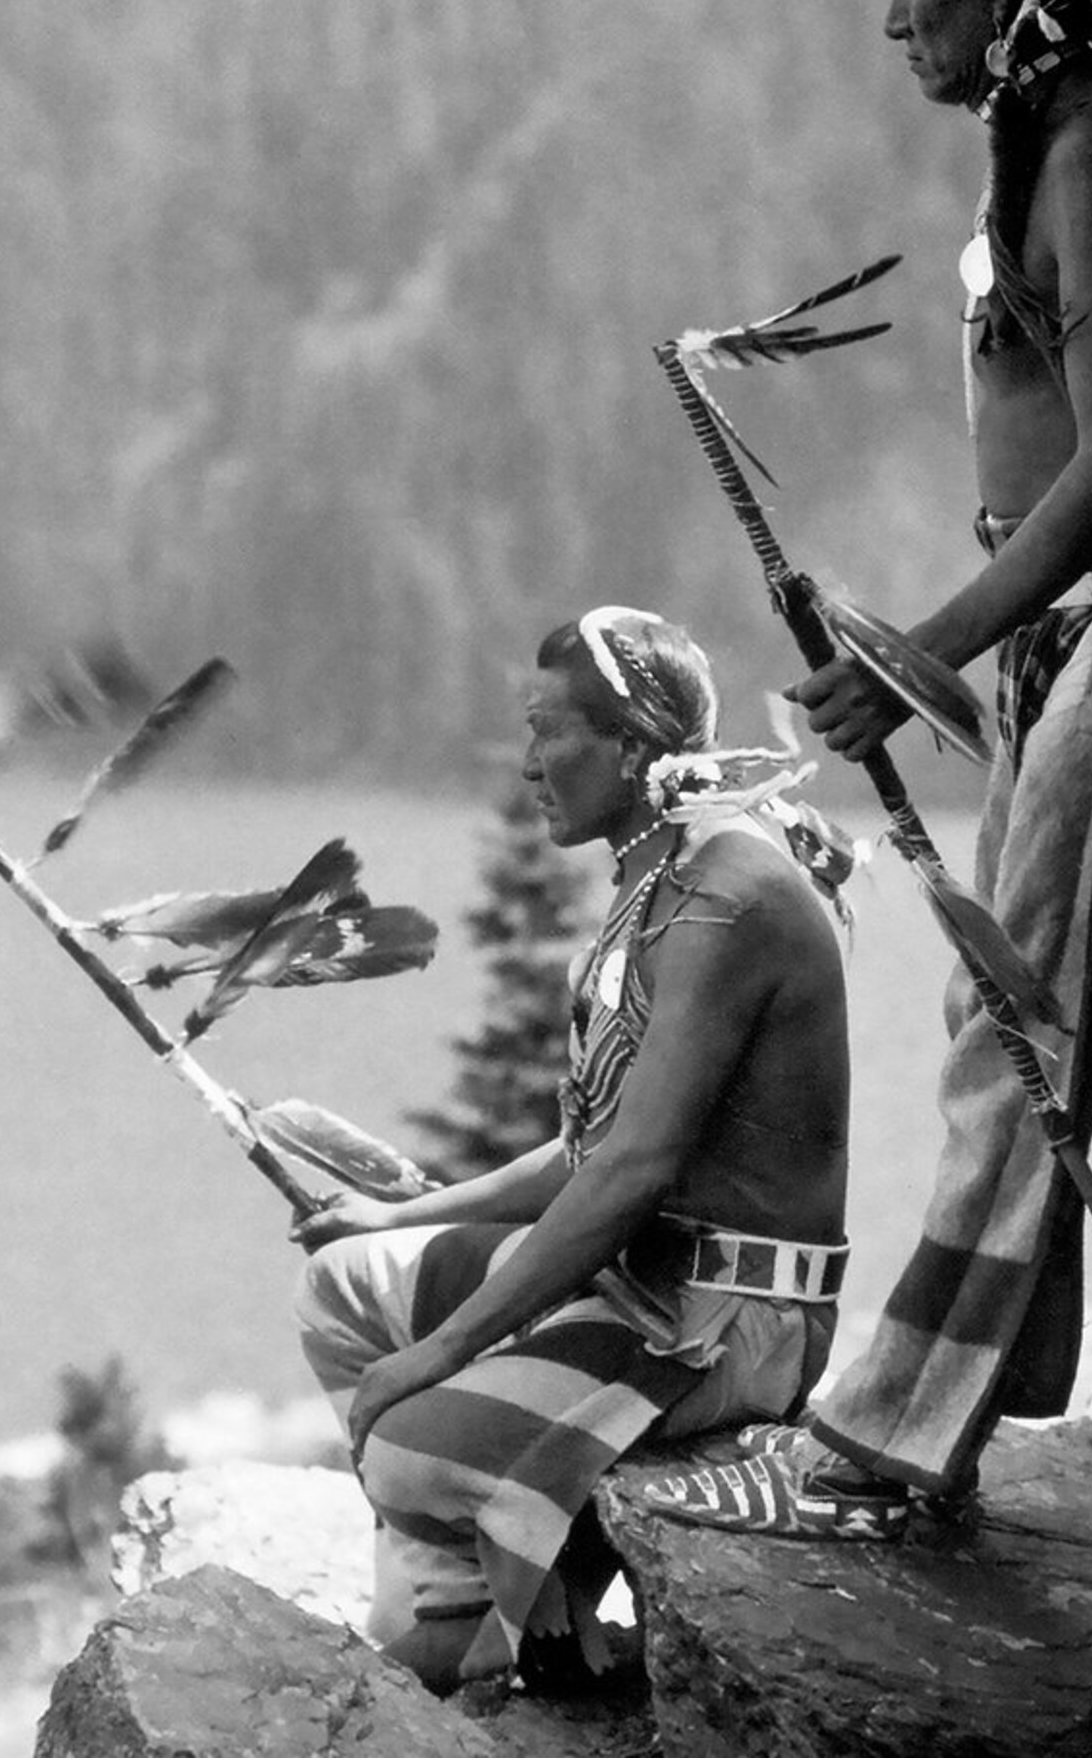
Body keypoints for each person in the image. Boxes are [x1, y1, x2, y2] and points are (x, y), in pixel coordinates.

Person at [644, 0, 1092, 1543]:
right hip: (1080, 625)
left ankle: (889, 1434)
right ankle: (1000, 1379)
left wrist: (916, 658)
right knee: (1001, 1007)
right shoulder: (1042, 151)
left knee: (1015, 1023)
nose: (888, 14)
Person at [292, 605, 853, 1690]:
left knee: (405, 1445)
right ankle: (464, 1604)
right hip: (644, 1278)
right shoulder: (662, 880)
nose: (529, 764)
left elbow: (632, 1171)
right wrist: (399, 1217)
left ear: (635, 745)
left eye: (549, 731)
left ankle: (534, 1638)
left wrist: (440, 1352)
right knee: (344, 1286)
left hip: (722, 1318)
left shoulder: (723, 899)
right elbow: (588, 1145)